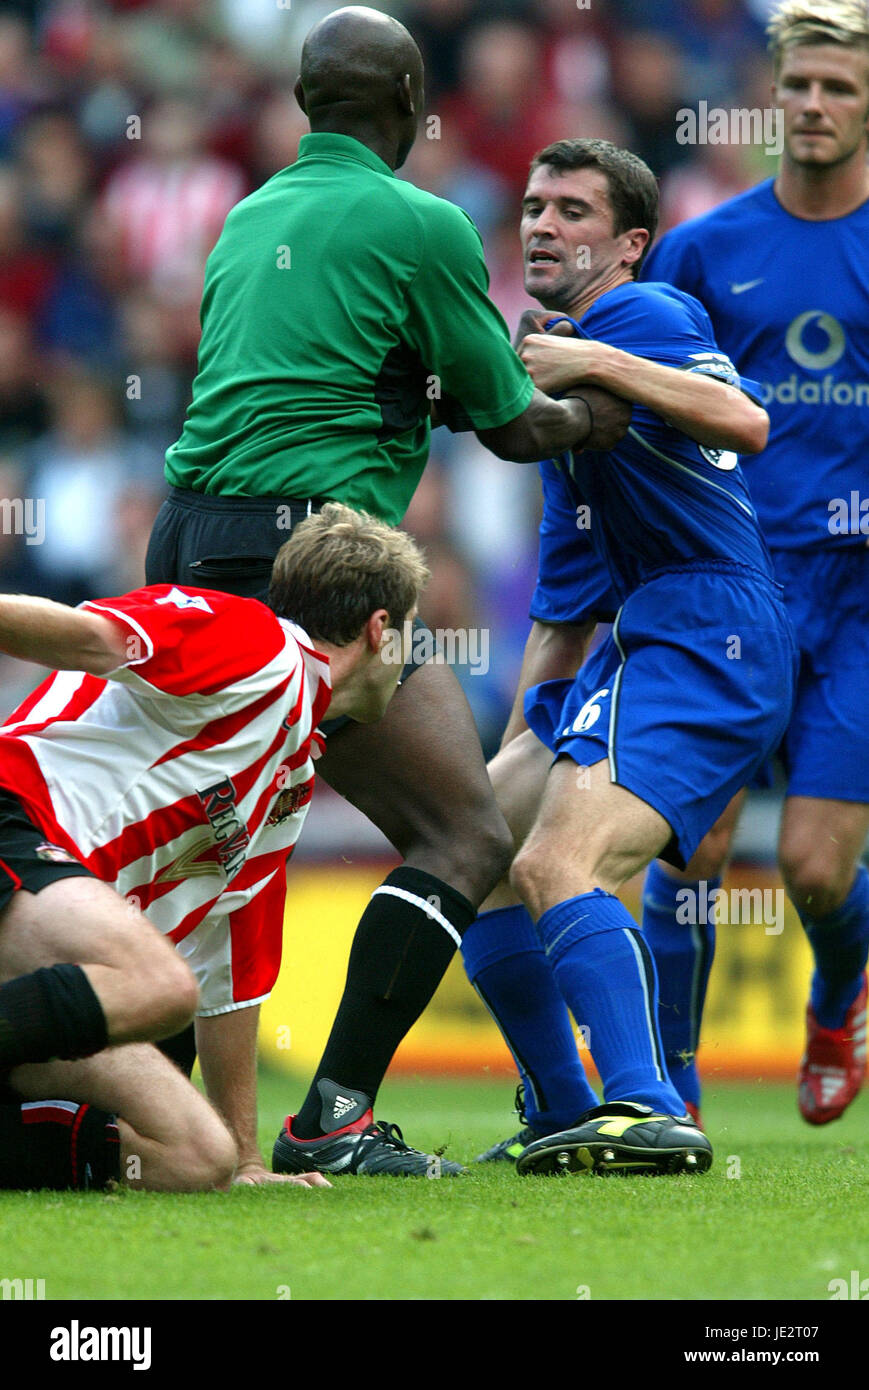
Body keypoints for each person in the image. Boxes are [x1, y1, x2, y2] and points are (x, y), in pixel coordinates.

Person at [142, 5, 631, 1178]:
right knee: (461, 831)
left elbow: (332, 371)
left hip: (181, 545)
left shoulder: (245, 216)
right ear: (413, 106)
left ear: (309, 104)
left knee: (183, 850)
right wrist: (604, 412)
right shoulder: (422, 222)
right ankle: (336, 1119)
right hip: (311, 560)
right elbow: (512, 424)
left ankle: (126, 1116)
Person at [459, 136, 797, 1176]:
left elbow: (744, 419)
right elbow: (560, 616)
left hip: (709, 629)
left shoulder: (637, 317)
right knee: (472, 855)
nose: (541, 225)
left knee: (560, 864)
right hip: (637, 638)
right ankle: (565, 1109)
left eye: (571, 211)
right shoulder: (565, 418)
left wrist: (593, 356)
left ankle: (649, 1107)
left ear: (629, 243)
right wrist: (517, 751)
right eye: (531, 206)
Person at [0, 503, 431, 1190]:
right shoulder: (254, 640)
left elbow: (228, 969)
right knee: (160, 986)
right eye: (413, 634)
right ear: (381, 630)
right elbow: (90, 637)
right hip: (12, 826)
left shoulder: (292, 769)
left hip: (54, 940)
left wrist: (248, 1160)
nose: (413, 656)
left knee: (195, 1157)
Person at [635, 0, 869, 1128]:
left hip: (857, 595)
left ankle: (835, 994)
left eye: (838, 87)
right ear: (772, 94)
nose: (814, 105)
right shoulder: (704, 249)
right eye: (799, 86)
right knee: (698, 841)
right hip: (733, 586)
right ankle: (669, 1086)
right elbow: (654, 410)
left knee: (818, 869)